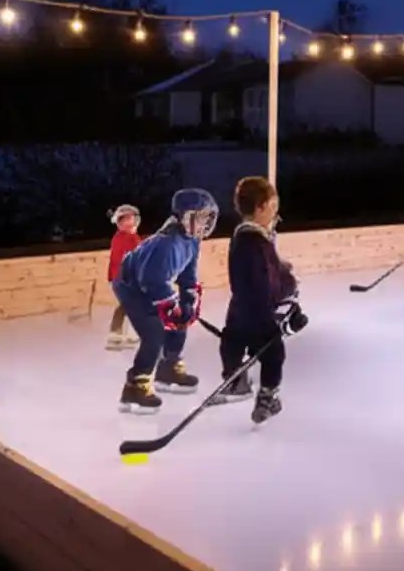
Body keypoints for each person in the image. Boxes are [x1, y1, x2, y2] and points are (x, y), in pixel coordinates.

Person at [112, 188, 218, 413]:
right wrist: (170, 305)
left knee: (179, 321)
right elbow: (151, 279)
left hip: (151, 284)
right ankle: (135, 387)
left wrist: (188, 299)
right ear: (183, 217)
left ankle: (168, 367)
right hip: (131, 287)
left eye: (206, 217)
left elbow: (187, 274)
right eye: (199, 217)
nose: (204, 223)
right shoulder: (167, 243)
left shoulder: (192, 240)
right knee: (155, 333)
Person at [216, 176, 307, 423]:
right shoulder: (255, 241)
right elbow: (270, 279)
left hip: (240, 308)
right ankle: (266, 395)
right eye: (273, 208)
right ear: (260, 208)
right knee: (274, 352)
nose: (275, 214)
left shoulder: (244, 237)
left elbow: (269, 271)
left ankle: (236, 377)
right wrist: (287, 297)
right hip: (259, 310)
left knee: (232, 340)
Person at [105, 204, 143, 351]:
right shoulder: (125, 238)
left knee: (128, 306)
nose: (131, 223)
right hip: (123, 279)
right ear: (120, 223)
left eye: (132, 220)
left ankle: (120, 334)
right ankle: (115, 335)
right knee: (128, 305)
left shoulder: (126, 237)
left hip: (121, 278)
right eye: (126, 220)